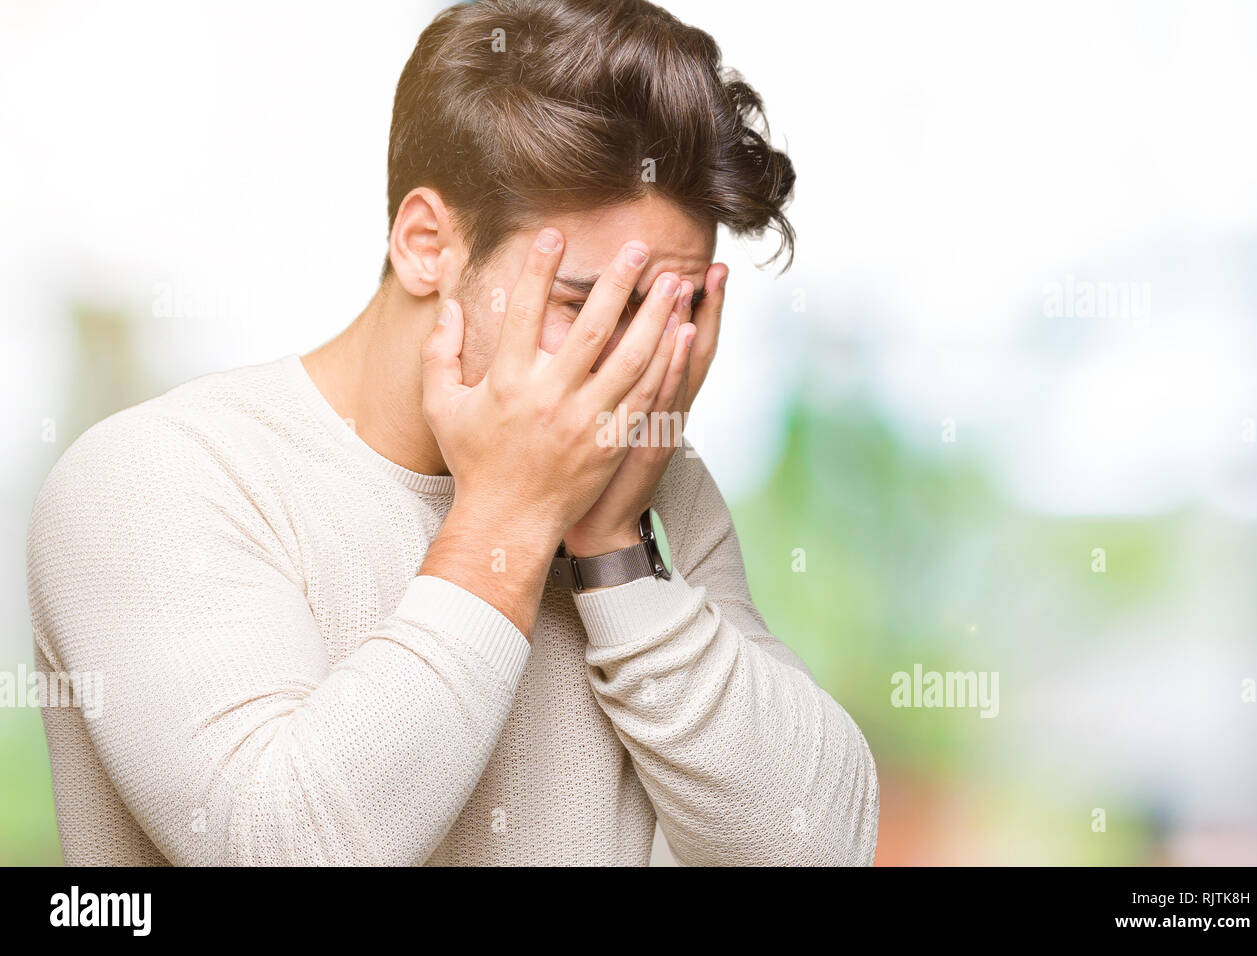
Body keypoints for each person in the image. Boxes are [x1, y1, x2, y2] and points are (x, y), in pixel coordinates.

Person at [27, 0, 878, 865]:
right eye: (585, 305)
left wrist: (612, 547)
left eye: (674, 309)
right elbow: (285, 847)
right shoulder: (154, 479)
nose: (633, 366)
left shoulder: (646, 484)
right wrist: (509, 518)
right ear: (426, 243)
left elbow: (817, 847)